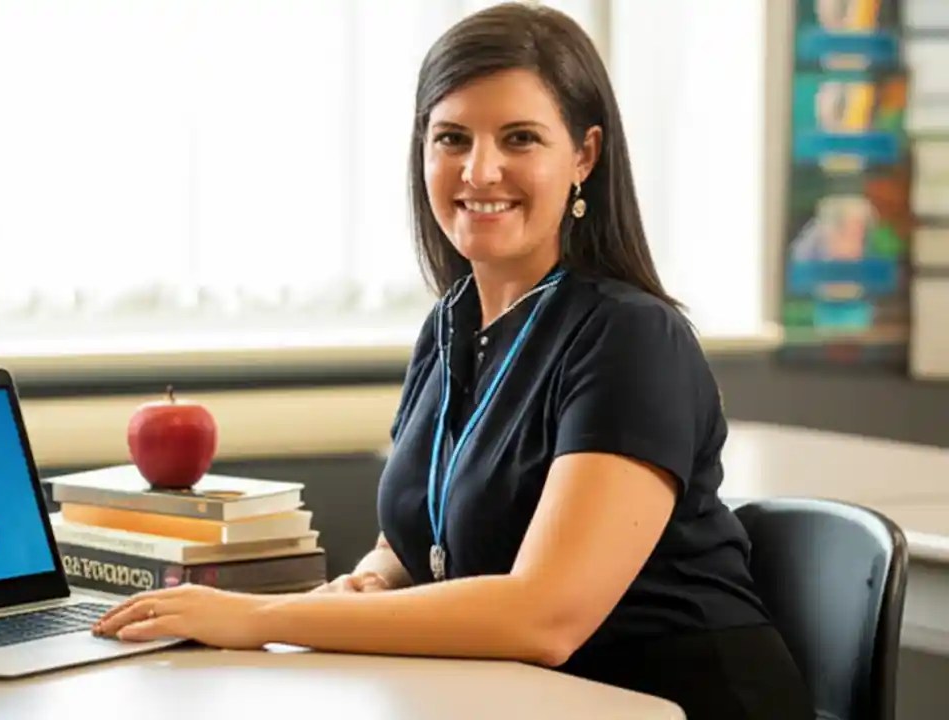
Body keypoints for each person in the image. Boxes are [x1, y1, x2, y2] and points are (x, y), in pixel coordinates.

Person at [93, 3, 815, 717]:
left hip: (680, 702)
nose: (480, 170)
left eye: (520, 138)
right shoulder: (452, 324)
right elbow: (417, 539)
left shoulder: (632, 337)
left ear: (584, 156)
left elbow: (544, 617)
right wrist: (376, 578)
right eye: (451, 138)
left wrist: (261, 617)